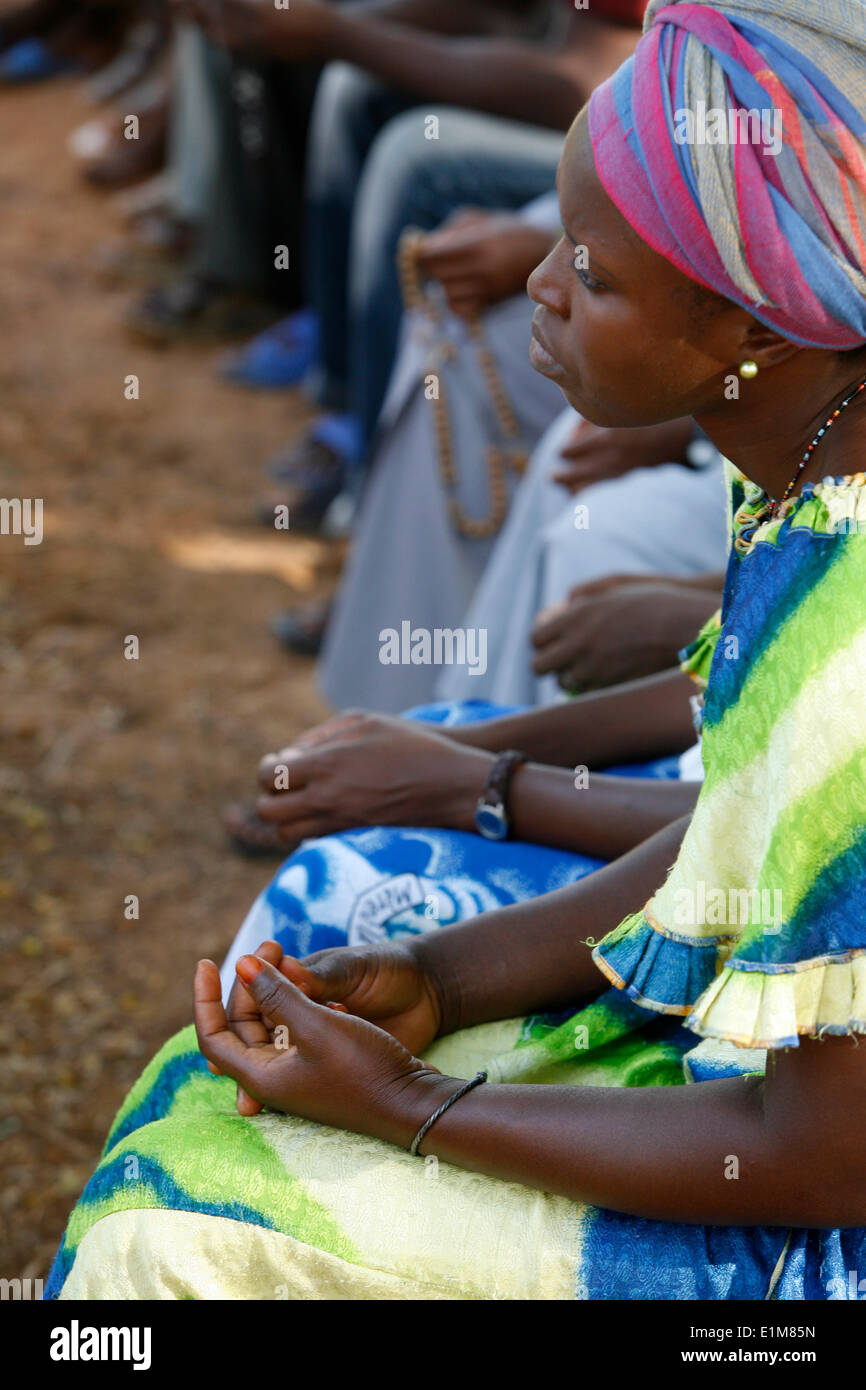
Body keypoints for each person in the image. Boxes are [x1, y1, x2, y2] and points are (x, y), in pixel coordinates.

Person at [48, 0, 866, 1300]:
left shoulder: (850, 624)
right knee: (278, 993)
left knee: (173, 1237)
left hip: (803, 1245)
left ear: (758, 334)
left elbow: (824, 1161)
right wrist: (441, 979)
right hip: (776, 1103)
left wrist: (414, 1107)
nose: (545, 283)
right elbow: (737, 825)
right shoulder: (809, 470)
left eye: (591, 274)